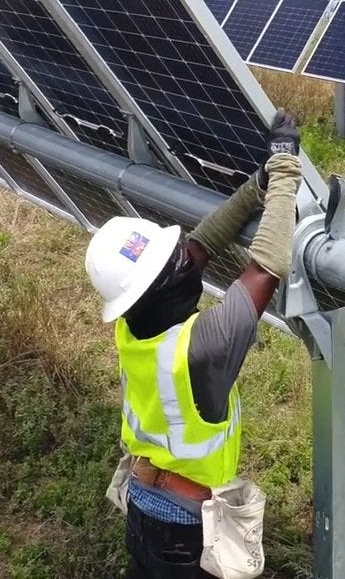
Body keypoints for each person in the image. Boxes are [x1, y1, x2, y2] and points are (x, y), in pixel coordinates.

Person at [87, 112, 302, 579]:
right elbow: (266, 264)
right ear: (165, 287)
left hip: (143, 503)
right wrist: (286, 169)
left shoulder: (136, 325)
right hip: (185, 530)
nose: (189, 257)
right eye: (178, 261)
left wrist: (255, 186)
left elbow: (202, 243)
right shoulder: (203, 349)